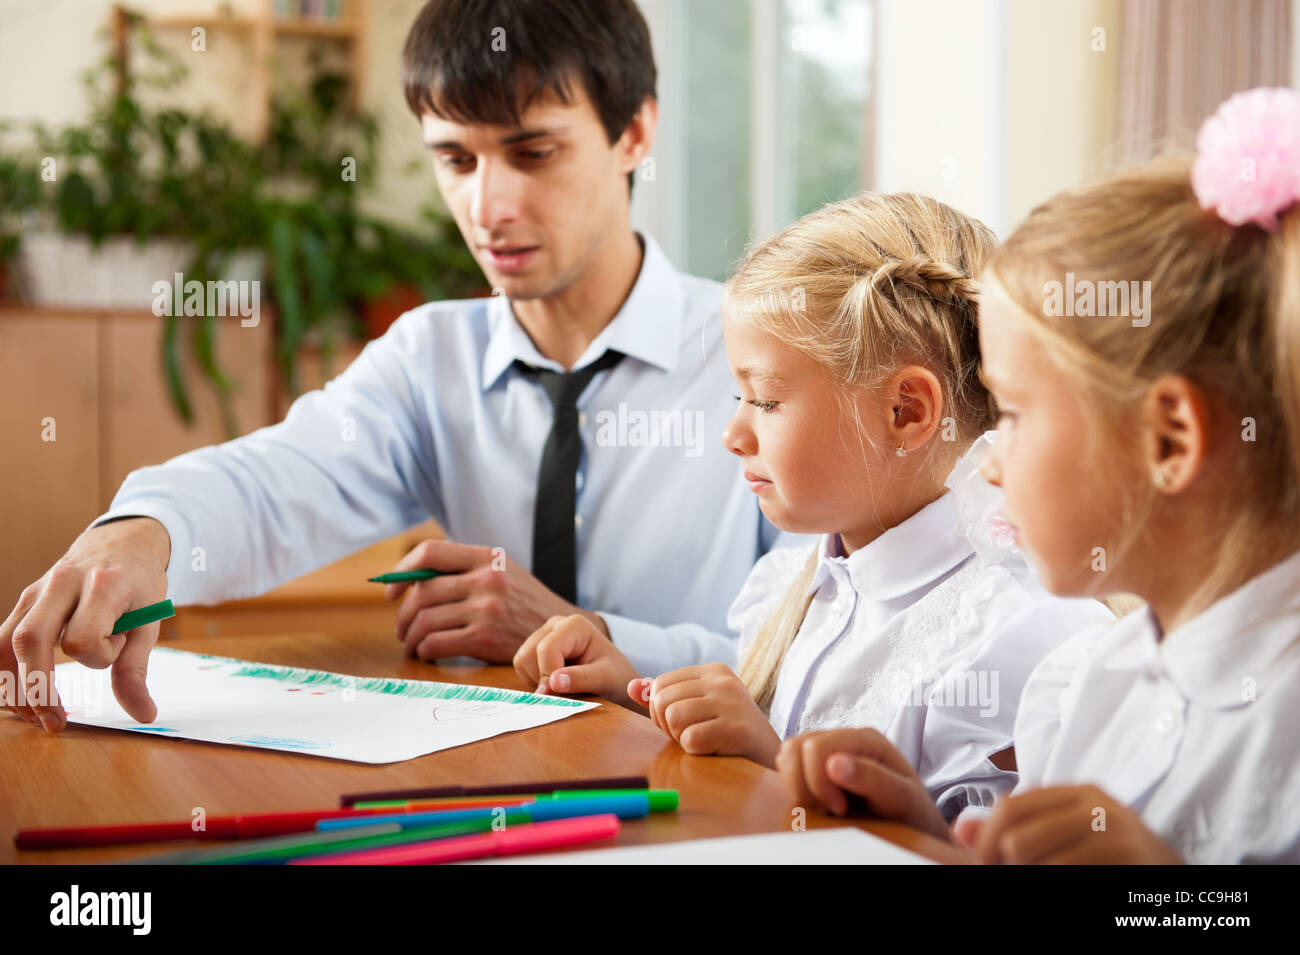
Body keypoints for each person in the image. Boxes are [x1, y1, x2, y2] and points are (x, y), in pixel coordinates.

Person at [0, 0, 791, 734]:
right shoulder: (430, 357)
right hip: (491, 786)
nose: (489, 207)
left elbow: (814, 642)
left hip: (704, 792)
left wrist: (604, 642)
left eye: (533, 151)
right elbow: (278, 479)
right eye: (455, 159)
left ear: (635, 134)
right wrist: (148, 530)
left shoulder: (757, 357)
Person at [778, 87, 1300, 863]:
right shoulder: (1082, 685)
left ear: (1169, 440)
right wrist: (926, 834)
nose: (986, 467)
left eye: (1013, 415)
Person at [515, 193, 1112, 821]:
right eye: (737, 395)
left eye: (766, 401)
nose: (733, 434)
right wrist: (636, 691)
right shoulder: (793, 581)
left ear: (905, 412)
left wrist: (772, 762)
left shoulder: (1018, 639)